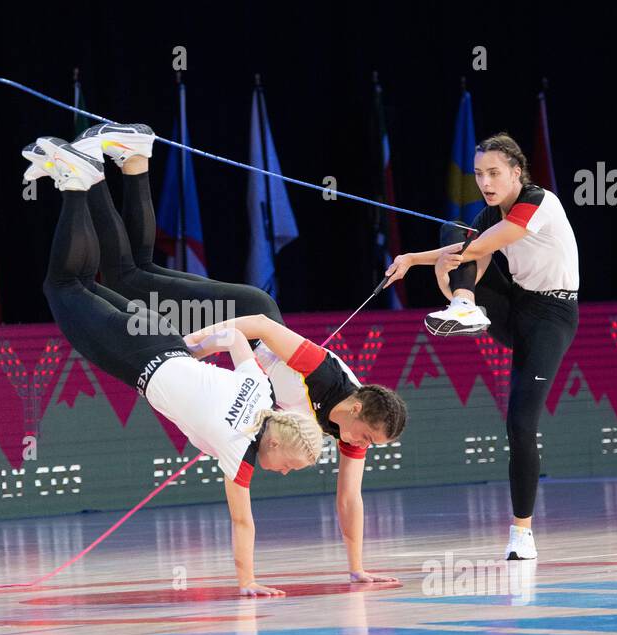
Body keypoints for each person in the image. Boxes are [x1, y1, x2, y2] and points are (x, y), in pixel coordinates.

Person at [67, 122, 406, 582]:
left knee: (134, 272)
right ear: (359, 407)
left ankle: (134, 157)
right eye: (367, 437)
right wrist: (193, 345)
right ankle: (91, 170)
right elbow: (262, 327)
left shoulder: (346, 430)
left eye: (370, 445)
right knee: (126, 277)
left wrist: (357, 569)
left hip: (239, 338)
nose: (362, 446)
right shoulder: (325, 375)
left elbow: (349, 499)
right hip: (247, 314)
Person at [28, 134, 323, 596]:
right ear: (276, 442)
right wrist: (247, 582)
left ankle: (85, 175)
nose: (283, 472)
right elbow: (242, 523)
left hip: (161, 338)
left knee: (87, 281)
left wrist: (191, 350)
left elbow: (234, 338)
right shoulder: (238, 449)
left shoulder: (262, 391)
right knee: (64, 285)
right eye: (289, 465)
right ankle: (75, 182)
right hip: (137, 357)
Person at [384, 133, 579, 561]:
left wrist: (422, 259)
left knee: (520, 424)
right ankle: (464, 304)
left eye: (494, 173)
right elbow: (471, 247)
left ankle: (522, 534)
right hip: (515, 306)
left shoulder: (538, 201)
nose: (485, 182)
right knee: (457, 230)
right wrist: (411, 261)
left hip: (552, 317)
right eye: (478, 174)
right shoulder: (491, 213)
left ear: (516, 172)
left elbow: (484, 246)